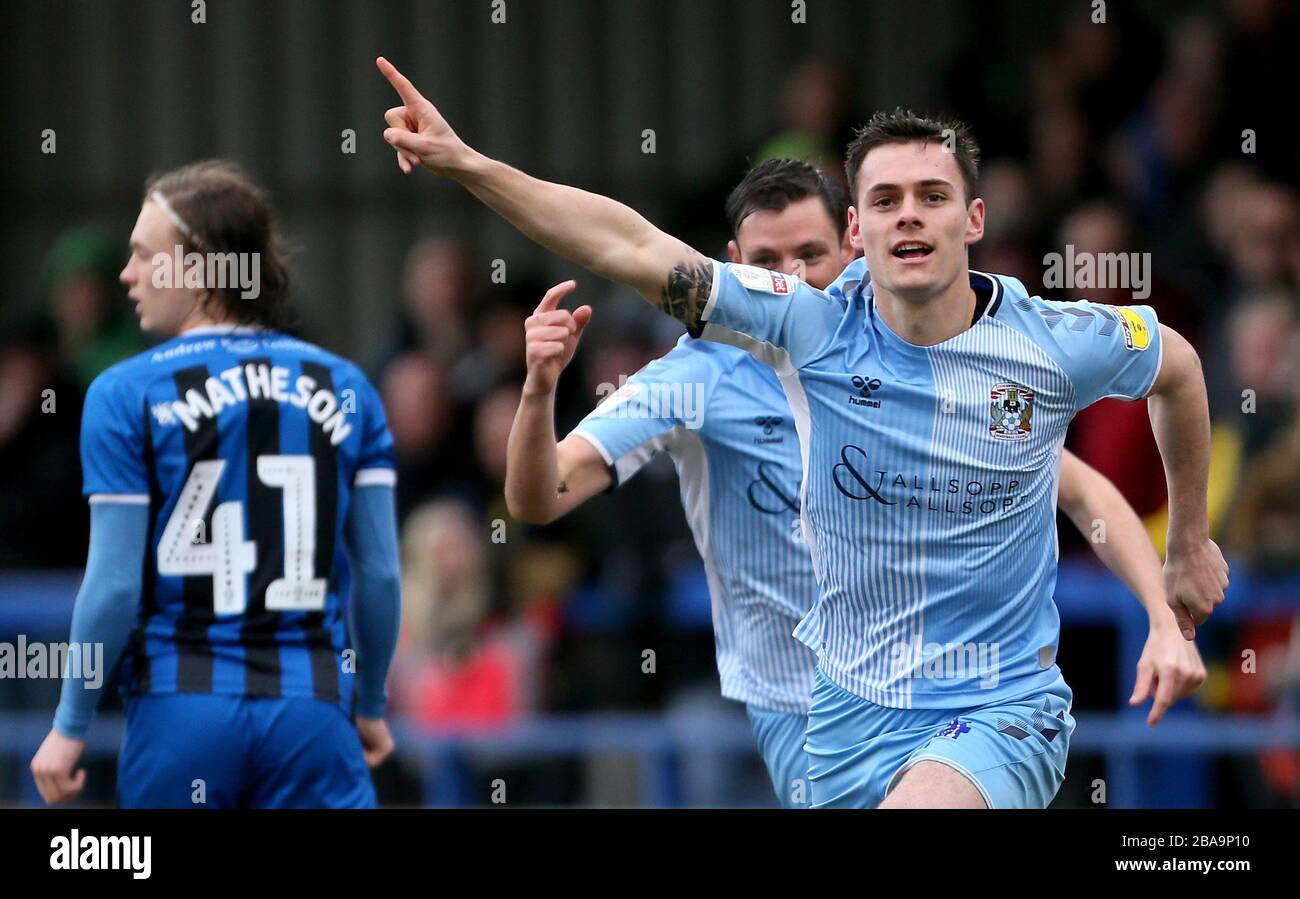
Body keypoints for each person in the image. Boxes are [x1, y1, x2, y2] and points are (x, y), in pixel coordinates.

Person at [375, 58, 1227, 808]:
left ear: (973, 219)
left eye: (933, 198)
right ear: (863, 229)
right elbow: (628, 245)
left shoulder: (1050, 343)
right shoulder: (803, 335)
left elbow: (1172, 377)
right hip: (834, 714)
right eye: (886, 200)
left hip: (998, 705)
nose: (909, 218)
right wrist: (471, 166)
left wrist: (1181, 557)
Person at [29, 160, 402, 808]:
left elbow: (114, 585)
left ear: (199, 268)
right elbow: (382, 577)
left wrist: (69, 724)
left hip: (182, 716)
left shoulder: (123, 392)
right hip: (312, 713)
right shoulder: (347, 386)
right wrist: (369, 702)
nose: (127, 275)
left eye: (145, 255)